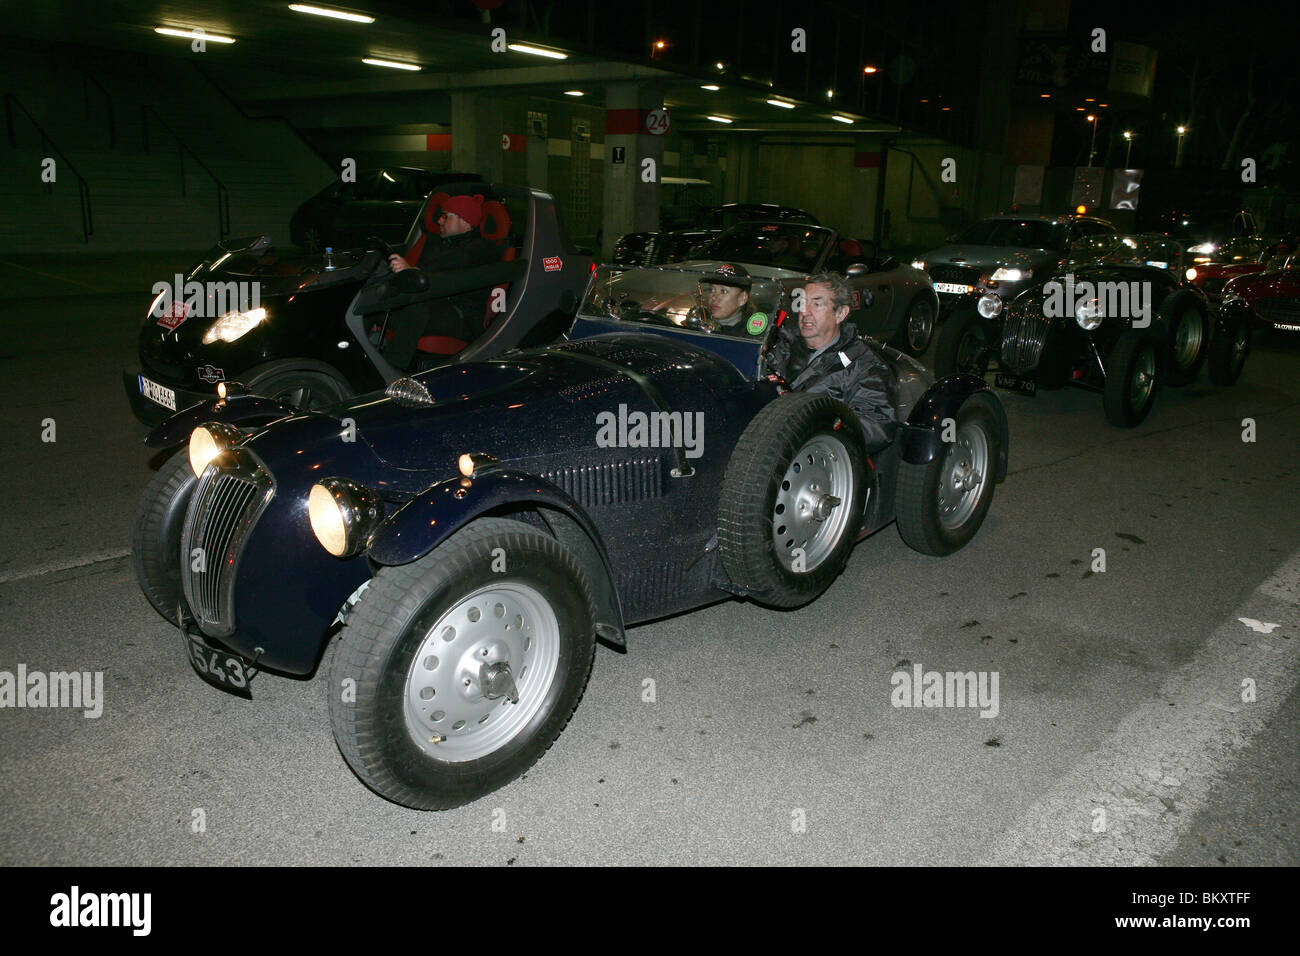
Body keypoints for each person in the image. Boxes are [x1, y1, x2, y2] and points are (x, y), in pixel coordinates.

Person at [763, 272, 897, 452]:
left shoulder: (864, 366)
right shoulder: (777, 346)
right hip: (762, 439)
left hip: (815, 455)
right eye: (802, 303)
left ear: (840, 313)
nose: (805, 312)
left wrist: (819, 423)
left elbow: (877, 427)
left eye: (817, 304)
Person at [382, 192, 501, 371]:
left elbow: (450, 279)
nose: (439, 221)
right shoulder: (441, 243)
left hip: (461, 317)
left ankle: (391, 369)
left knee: (419, 306)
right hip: (438, 304)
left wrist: (413, 271)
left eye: (445, 216)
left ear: (465, 221)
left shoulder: (480, 251)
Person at [699, 263, 754, 331]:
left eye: (723, 291)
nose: (713, 297)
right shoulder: (698, 322)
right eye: (711, 290)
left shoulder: (749, 335)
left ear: (742, 298)